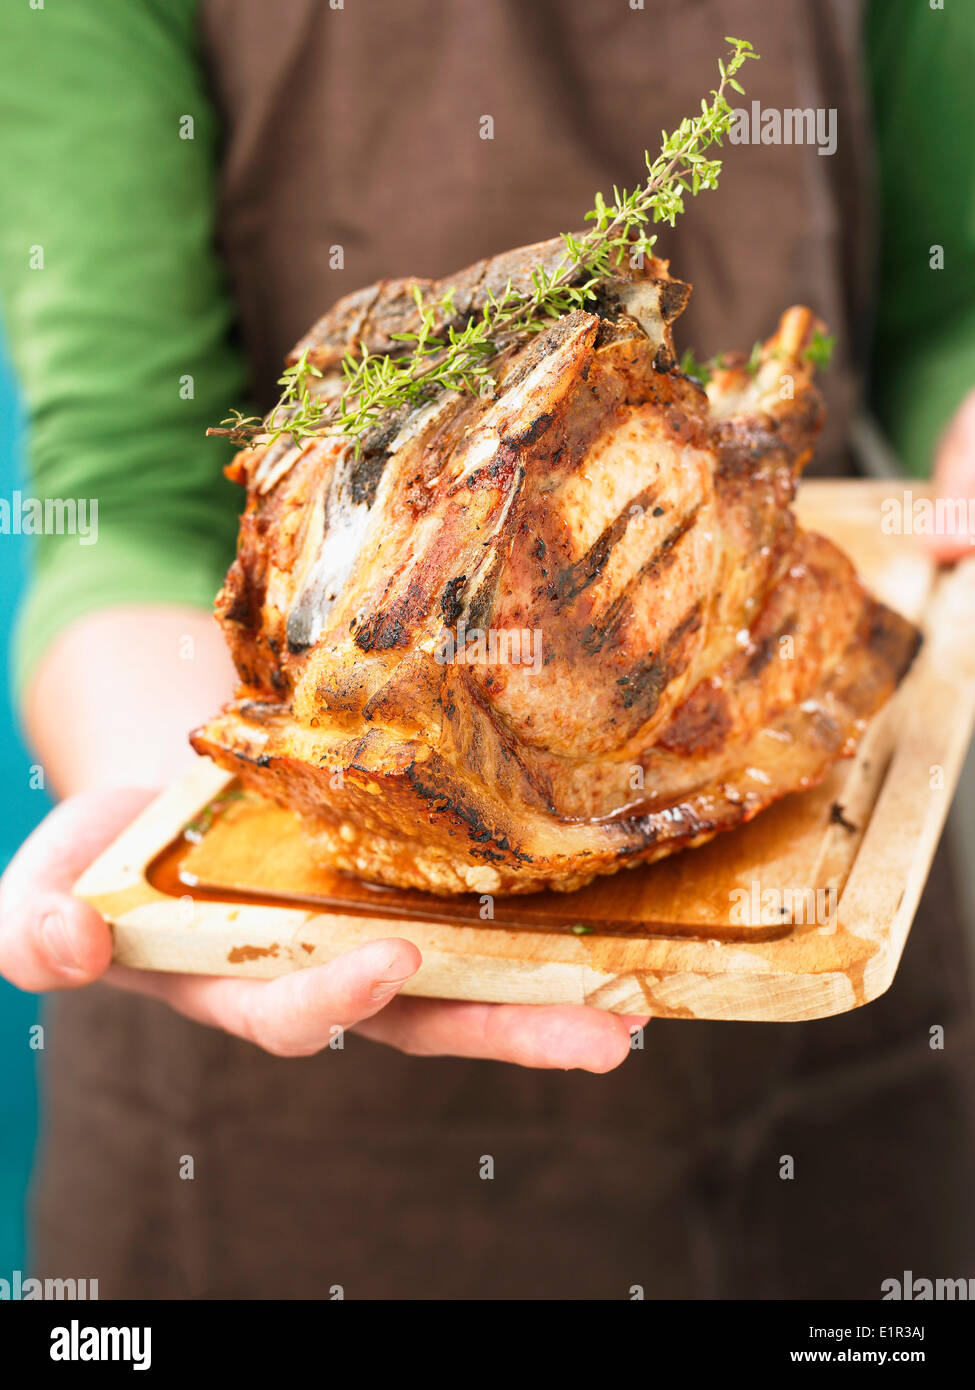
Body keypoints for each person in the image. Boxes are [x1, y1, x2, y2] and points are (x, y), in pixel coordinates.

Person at [0, 0, 972, 1299]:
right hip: (276, 1173)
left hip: (827, 1084)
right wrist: (169, 822)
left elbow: (944, 297)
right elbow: (122, 481)